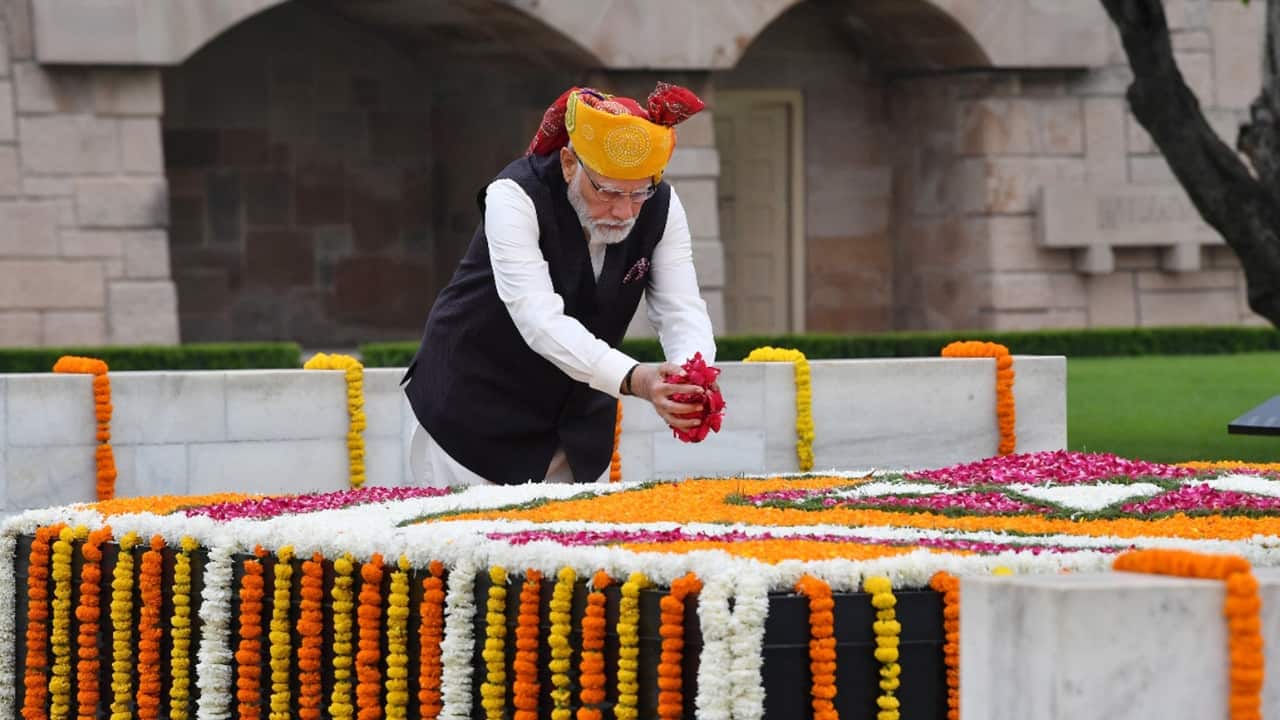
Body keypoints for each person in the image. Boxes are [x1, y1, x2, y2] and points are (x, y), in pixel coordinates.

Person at [401, 82, 719, 486]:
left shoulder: (661, 207)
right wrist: (638, 379)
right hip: (470, 421)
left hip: (578, 431)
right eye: (607, 190)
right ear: (570, 163)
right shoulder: (514, 196)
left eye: (639, 193)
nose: (623, 211)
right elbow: (539, 320)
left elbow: (681, 308)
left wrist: (693, 377)